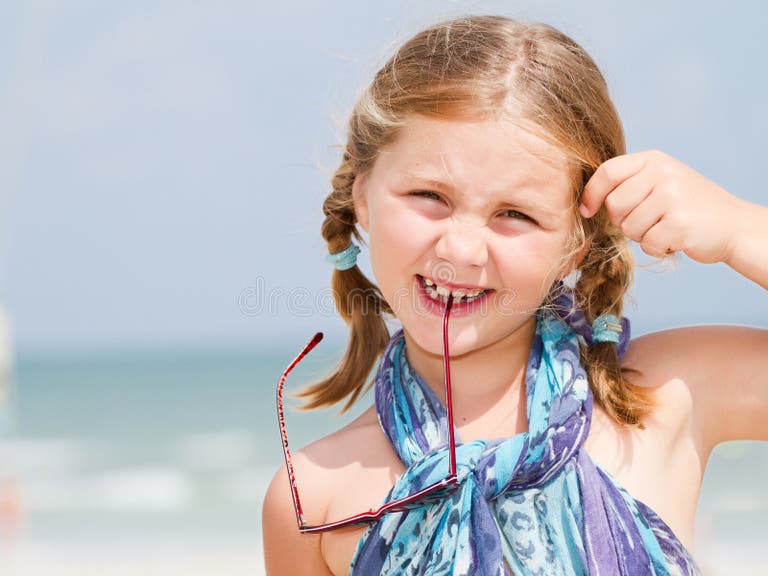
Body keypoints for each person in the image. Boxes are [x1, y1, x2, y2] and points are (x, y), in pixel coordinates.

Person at [262, 14, 768, 575]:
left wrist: (741, 231)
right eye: (429, 195)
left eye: (515, 214)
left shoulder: (670, 395)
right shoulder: (311, 496)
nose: (461, 250)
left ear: (576, 246)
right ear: (362, 198)